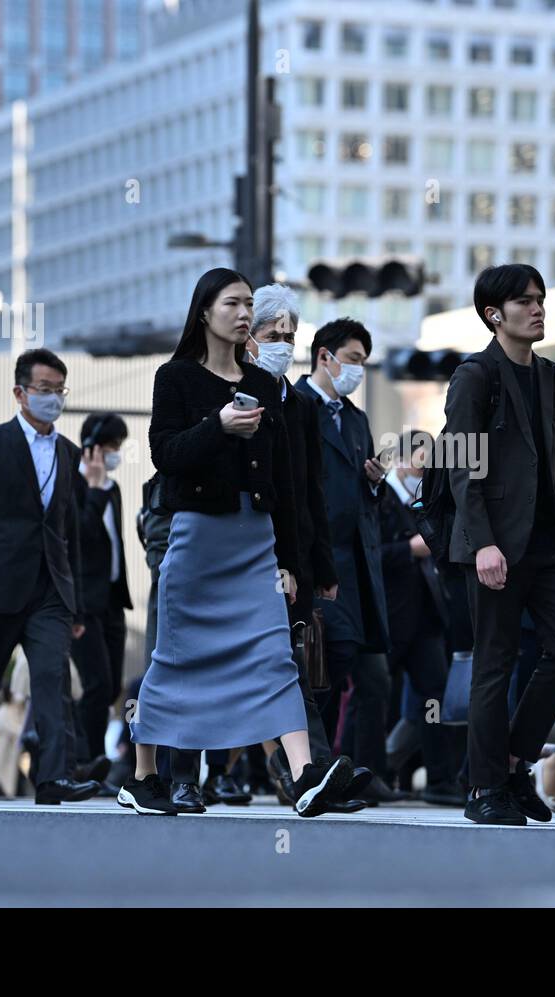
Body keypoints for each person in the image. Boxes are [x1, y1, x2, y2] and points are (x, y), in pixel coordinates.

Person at [120, 267, 352, 818]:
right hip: (198, 534)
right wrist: (219, 426)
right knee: (177, 657)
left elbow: (290, 484)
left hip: (256, 539)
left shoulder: (269, 385)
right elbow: (165, 456)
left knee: (274, 654)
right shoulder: (174, 377)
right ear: (204, 311)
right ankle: (143, 776)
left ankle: (305, 776)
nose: (244, 313)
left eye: (249, 304)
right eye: (232, 303)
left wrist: (294, 561)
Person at [444, 263, 555, 826]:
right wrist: (483, 543)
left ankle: (512, 761)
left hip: (549, 546)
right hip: (494, 546)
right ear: (494, 314)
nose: (538, 308)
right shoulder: (476, 375)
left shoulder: (554, 379)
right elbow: (462, 465)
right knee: (495, 663)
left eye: (541, 299)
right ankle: (484, 789)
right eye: (525, 301)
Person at [0, 348, 98, 805]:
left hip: (51, 589)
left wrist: (75, 601)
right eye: (43, 390)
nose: (52, 398)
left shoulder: (69, 452)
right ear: (19, 392)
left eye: (59, 390)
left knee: (52, 682)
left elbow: (68, 532)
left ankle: (53, 777)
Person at [246, 284, 368, 812]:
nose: (283, 344)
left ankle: (307, 774)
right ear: (248, 339)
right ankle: (178, 774)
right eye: (273, 335)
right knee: (213, 668)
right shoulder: (232, 394)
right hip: (238, 556)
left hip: (288, 561)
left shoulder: (297, 406)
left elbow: (309, 492)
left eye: (289, 335)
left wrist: (317, 565)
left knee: (289, 666)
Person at [294, 317, 399, 805]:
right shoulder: (296, 407)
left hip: (359, 566)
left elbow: (364, 500)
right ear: (324, 355)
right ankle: (312, 772)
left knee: (370, 673)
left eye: (362, 362)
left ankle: (360, 770)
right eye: (352, 360)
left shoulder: (355, 419)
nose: (357, 370)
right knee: (323, 669)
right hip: (317, 561)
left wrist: (374, 482)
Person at [377, 429, 461, 805]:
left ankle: (440, 777)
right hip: (390, 613)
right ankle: (373, 770)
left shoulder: (427, 497)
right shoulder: (382, 494)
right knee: (377, 692)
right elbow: (371, 553)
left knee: (434, 695)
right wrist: (408, 550)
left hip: (425, 614)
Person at [72, 412, 133, 778]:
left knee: (111, 686)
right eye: (111, 447)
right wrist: (93, 491)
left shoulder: (113, 488)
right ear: (91, 448)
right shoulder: (75, 485)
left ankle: (80, 750)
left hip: (112, 599)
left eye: (119, 448)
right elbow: (80, 534)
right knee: (95, 683)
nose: (115, 454)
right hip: (82, 601)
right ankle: (87, 760)